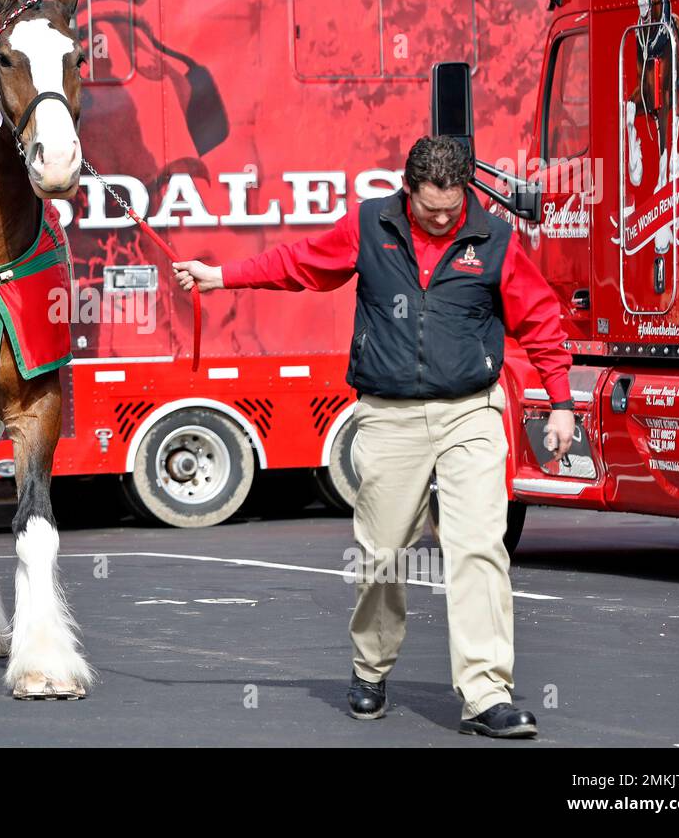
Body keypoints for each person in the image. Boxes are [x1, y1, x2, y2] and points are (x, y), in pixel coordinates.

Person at [173, 136, 575, 739]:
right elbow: (297, 264)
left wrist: (561, 400)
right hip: (389, 416)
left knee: (479, 550)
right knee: (383, 553)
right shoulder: (369, 225)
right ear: (406, 189)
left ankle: (487, 693)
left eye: (452, 208)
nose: (443, 220)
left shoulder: (493, 238)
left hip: (471, 413)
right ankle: (371, 667)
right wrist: (220, 277)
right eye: (431, 208)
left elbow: (540, 318)